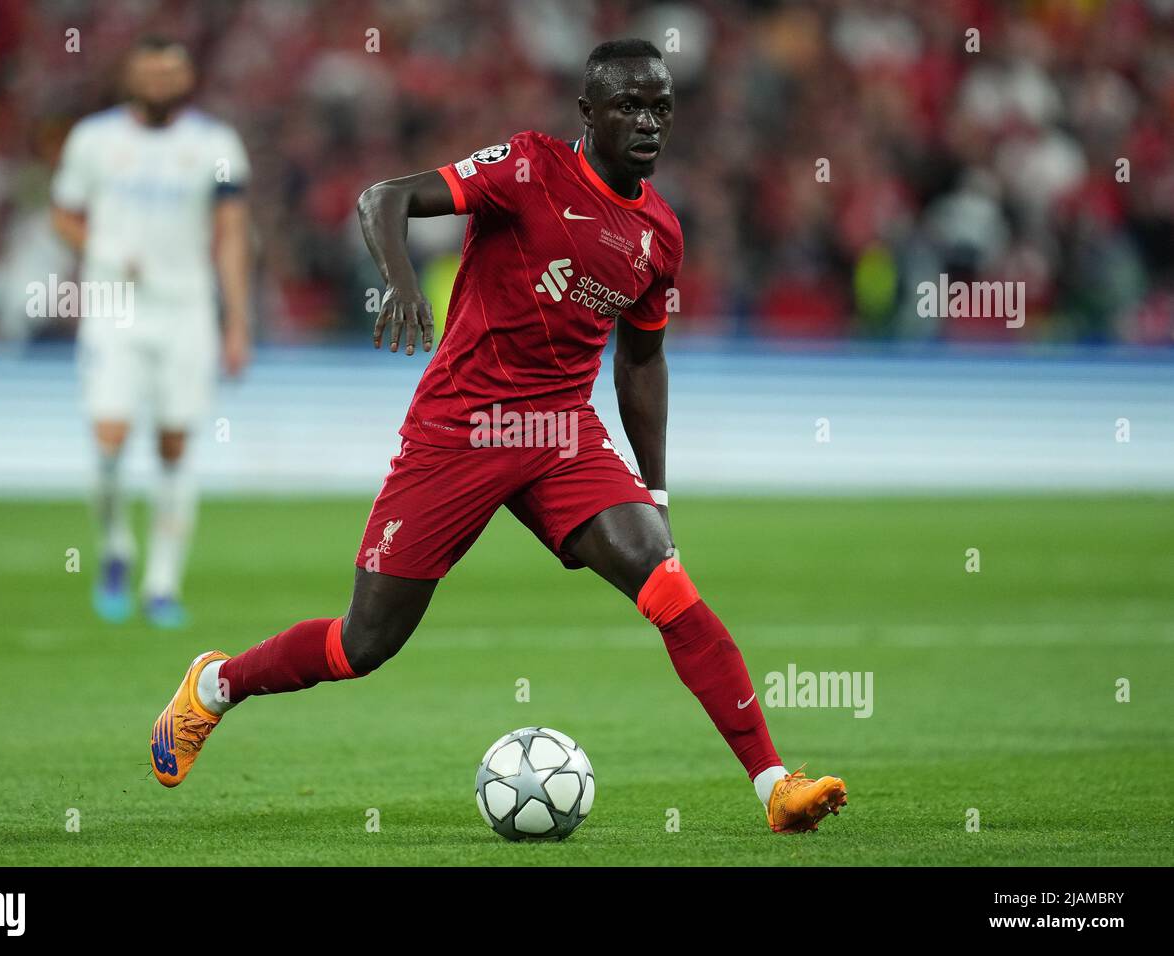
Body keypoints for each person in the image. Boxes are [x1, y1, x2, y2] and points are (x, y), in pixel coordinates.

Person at [149, 39, 846, 833]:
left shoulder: (659, 233)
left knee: (668, 581)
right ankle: (218, 684)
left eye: (660, 106)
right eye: (628, 105)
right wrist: (403, 288)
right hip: (459, 428)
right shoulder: (525, 167)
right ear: (588, 113)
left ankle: (775, 786)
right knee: (363, 643)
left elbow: (642, 363)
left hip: (557, 433)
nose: (648, 121)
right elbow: (385, 197)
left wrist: (653, 490)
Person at [51, 35, 251, 627]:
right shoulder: (94, 139)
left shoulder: (215, 143)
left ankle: (162, 584)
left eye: (172, 72)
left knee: (175, 445)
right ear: (131, 77)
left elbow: (232, 231)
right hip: (115, 305)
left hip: (187, 308)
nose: (161, 82)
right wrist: (106, 251)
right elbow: (63, 212)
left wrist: (237, 319)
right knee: (110, 439)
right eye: (151, 72)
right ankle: (116, 547)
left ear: (186, 79)